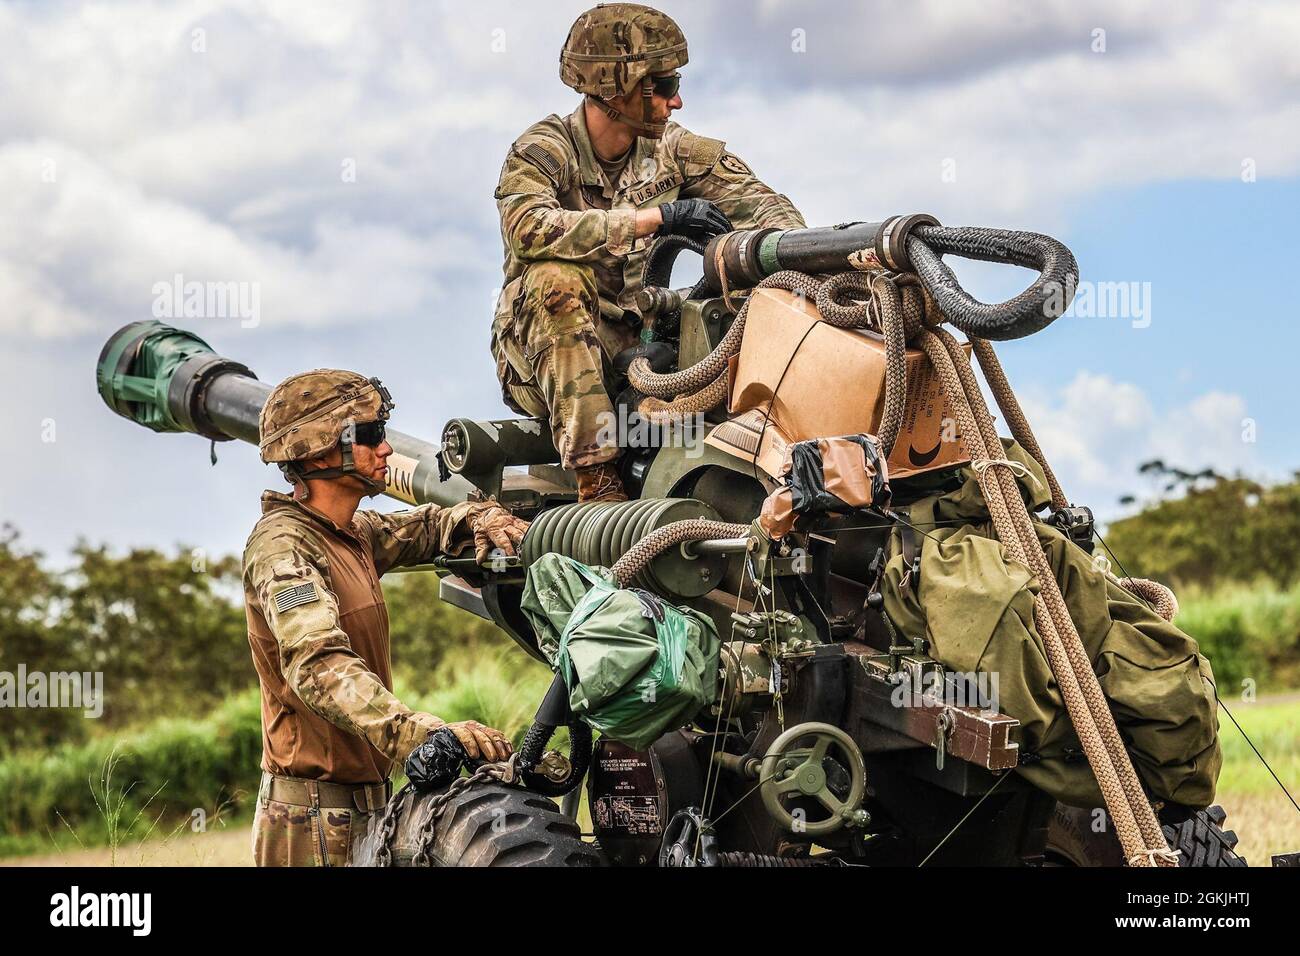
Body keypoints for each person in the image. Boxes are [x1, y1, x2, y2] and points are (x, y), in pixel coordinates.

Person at [492, 3, 806, 502]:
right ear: (617, 88)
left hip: (650, 351)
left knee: (751, 281)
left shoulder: (675, 150)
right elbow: (529, 229)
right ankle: (597, 479)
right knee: (555, 279)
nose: (676, 101)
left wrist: (799, 253)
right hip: (552, 359)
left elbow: (762, 205)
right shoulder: (543, 151)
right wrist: (657, 219)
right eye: (661, 86)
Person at [243, 369, 529, 866]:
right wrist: (416, 732)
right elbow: (319, 665)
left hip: (367, 808)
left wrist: (477, 516)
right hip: (311, 824)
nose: (385, 451)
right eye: (371, 436)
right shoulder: (284, 550)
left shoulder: (349, 533)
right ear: (318, 454)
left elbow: (423, 526)